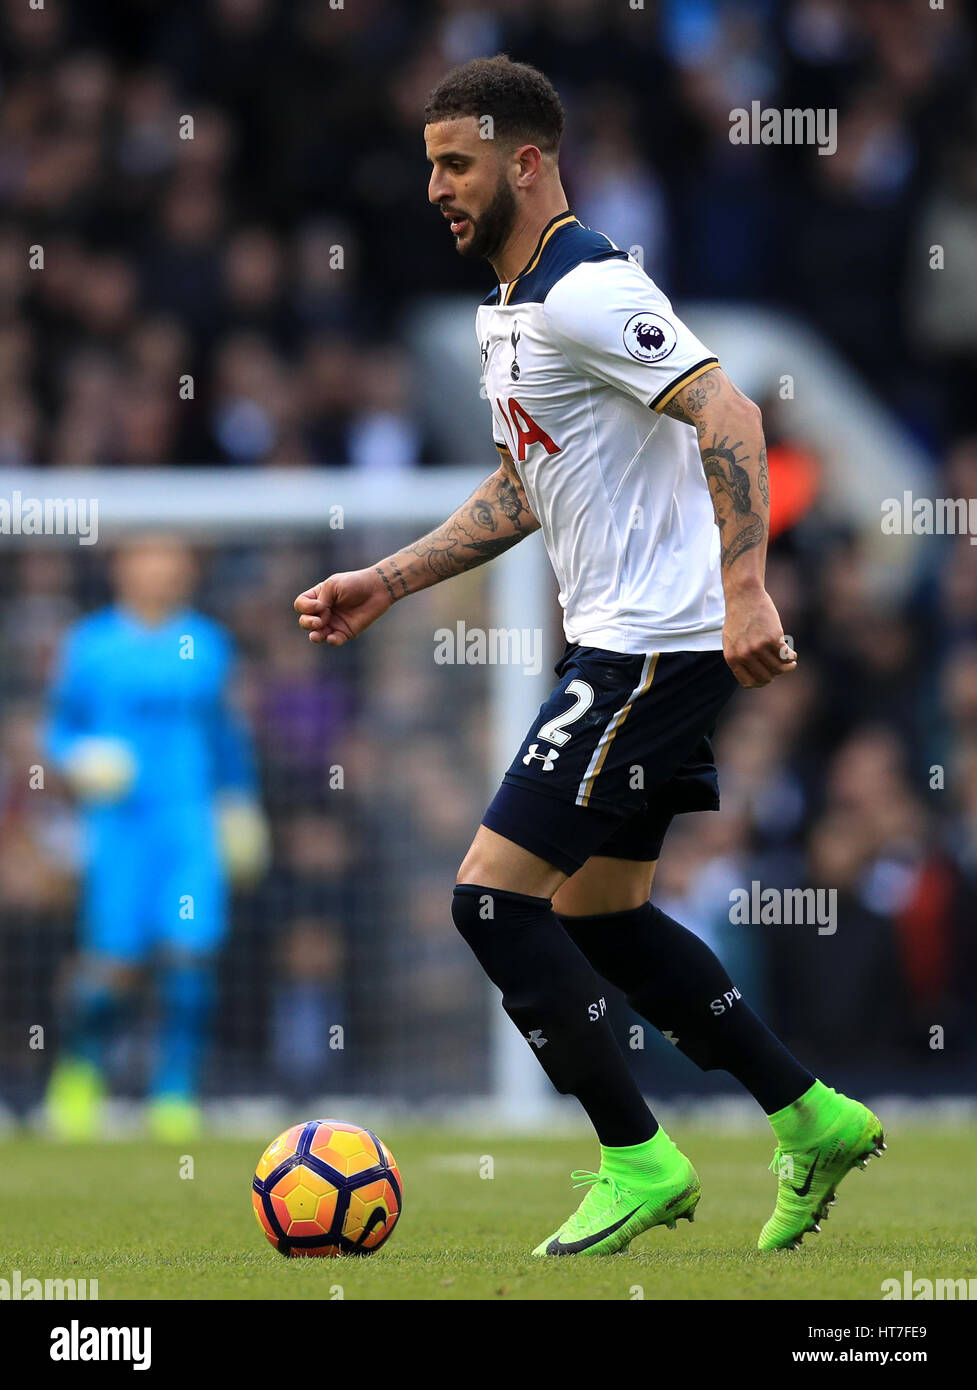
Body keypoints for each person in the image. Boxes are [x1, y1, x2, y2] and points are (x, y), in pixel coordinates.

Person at [295, 55, 884, 1255]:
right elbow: (526, 485)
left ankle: (636, 1157)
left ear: (524, 160)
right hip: (634, 644)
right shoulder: (511, 309)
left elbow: (729, 412)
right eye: (427, 167)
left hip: (650, 650)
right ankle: (808, 1113)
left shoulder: (583, 287)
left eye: (454, 164)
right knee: (604, 914)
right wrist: (388, 581)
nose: (435, 189)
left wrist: (743, 589)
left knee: (485, 898)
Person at [45, 536, 268, 1141]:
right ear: (123, 569)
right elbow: (59, 729)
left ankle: (174, 1094)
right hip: (119, 829)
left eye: (174, 565)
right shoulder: (91, 645)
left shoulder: (208, 645)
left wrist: (240, 803)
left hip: (188, 823)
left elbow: (227, 737)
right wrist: (77, 759)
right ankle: (80, 1069)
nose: (161, 575)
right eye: (149, 563)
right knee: (111, 967)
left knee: (190, 957)